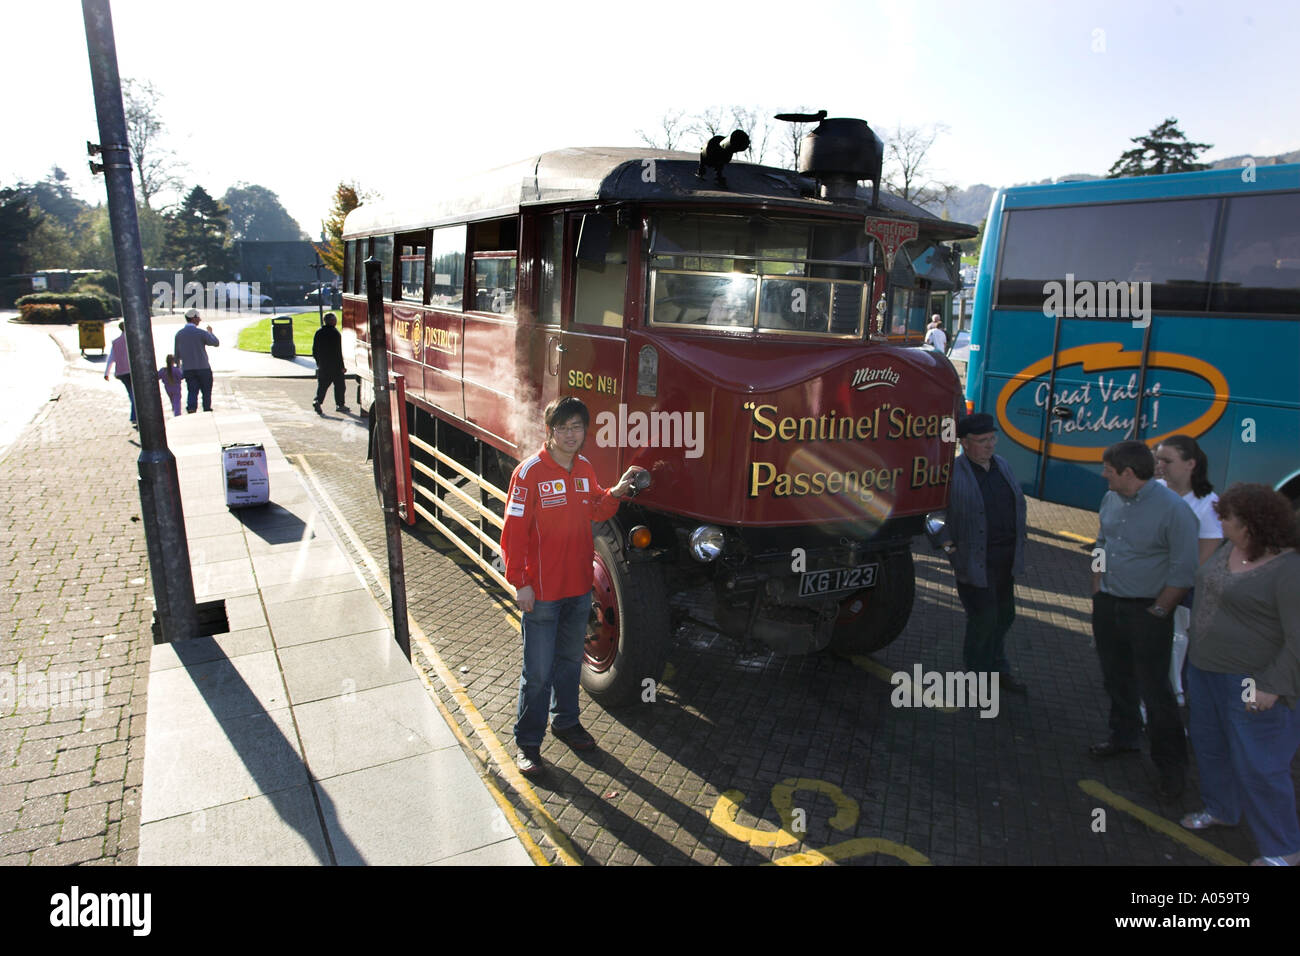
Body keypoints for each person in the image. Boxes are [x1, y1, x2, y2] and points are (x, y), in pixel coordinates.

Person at [500, 396, 647, 777]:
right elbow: (513, 533)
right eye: (562, 428)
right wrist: (520, 583)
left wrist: (614, 493)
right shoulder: (529, 474)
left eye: (576, 428)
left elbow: (595, 508)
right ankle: (528, 744)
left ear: (584, 432)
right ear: (549, 432)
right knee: (537, 673)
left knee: (568, 664)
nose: (570, 434)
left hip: (579, 588)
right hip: (543, 593)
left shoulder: (583, 467)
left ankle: (565, 722)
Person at [1179, 483, 1300, 866]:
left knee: (1261, 765)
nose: (1219, 522)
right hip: (1204, 670)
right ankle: (1221, 809)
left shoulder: (1289, 568)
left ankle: (1284, 850)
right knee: (1210, 747)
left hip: (1252, 682)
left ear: (1251, 523)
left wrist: (1273, 686)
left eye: (1227, 517)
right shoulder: (1232, 548)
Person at [1088, 440, 1198, 801]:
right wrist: (1097, 589)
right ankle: (1124, 738)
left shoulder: (1174, 511)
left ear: (1128, 473)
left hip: (1147, 611)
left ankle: (1171, 769)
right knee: (1115, 677)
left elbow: (1183, 572)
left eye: (1108, 469)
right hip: (1109, 604)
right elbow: (1101, 543)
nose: (1103, 474)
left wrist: (1158, 612)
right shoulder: (1110, 499)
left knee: (1155, 691)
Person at [939, 413, 1028, 693]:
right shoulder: (952, 474)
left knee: (1005, 616)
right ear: (964, 443)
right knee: (984, 619)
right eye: (982, 441)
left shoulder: (1003, 466)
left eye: (992, 439)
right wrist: (950, 549)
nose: (990, 445)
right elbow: (934, 517)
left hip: (1006, 559)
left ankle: (997, 669)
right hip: (975, 561)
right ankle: (976, 679)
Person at [1153, 434, 1222, 704]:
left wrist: (1170, 590)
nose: (1160, 466)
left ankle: (1174, 700)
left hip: (1180, 592)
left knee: (1174, 645)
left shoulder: (1208, 504)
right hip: (1147, 584)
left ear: (1190, 464)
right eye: (1158, 459)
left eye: (1167, 461)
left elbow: (1203, 561)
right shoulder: (1154, 489)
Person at [174, 308, 219, 413]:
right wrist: (210, 333)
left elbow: (177, 354)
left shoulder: (179, 334)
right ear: (193, 318)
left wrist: (178, 367)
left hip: (188, 368)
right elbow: (215, 343)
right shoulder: (201, 333)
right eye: (198, 317)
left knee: (192, 391)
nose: (200, 320)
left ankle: (191, 409)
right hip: (203, 367)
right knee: (206, 391)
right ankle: (207, 409)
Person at [311, 313, 347, 414]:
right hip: (335, 366)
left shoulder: (319, 332)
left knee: (322, 386)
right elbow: (338, 352)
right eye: (335, 319)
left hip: (323, 365)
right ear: (331, 321)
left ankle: (317, 400)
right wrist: (342, 366)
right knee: (340, 386)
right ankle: (340, 404)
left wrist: (318, 362)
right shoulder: (335, 333)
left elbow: (314, 350)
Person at [103, 321, 135, 425]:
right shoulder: (132, 340)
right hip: (132, 371)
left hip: (121, 372)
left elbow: (111, 358)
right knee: (134, 394)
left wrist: (106, 372)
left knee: (131, 393)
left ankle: (134, 415)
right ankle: (135, 416)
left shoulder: (116, 342)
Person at [158, 354, 184, 418]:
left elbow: (157, 376)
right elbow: (181, 376)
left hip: (167, 388)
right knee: (177, 401)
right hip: (176, 387)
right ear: (173, 361)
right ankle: (177, 415)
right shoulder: (176, 369)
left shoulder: (163, 370)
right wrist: (180, 367)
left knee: (173, 401)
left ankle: (175, 412)